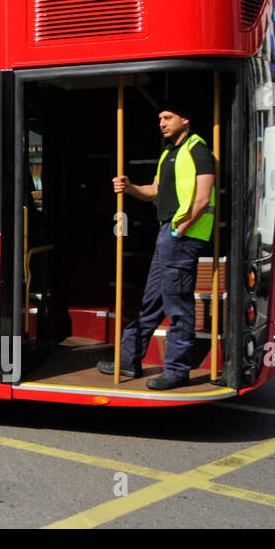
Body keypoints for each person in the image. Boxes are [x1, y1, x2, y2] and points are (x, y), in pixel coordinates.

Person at [101, 104, 216, 390]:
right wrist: (130, 188)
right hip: (168, 233)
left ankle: (177, 370)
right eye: (160, 119)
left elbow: (203, 198)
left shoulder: (198, 149)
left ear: (185, 119)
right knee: (152, 300)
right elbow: (154, 191)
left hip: (181, 236)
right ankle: (128, 360)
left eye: (168, 118)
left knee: (178, 304)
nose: (162, 123)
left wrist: (180, 229)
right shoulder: (168, 153)